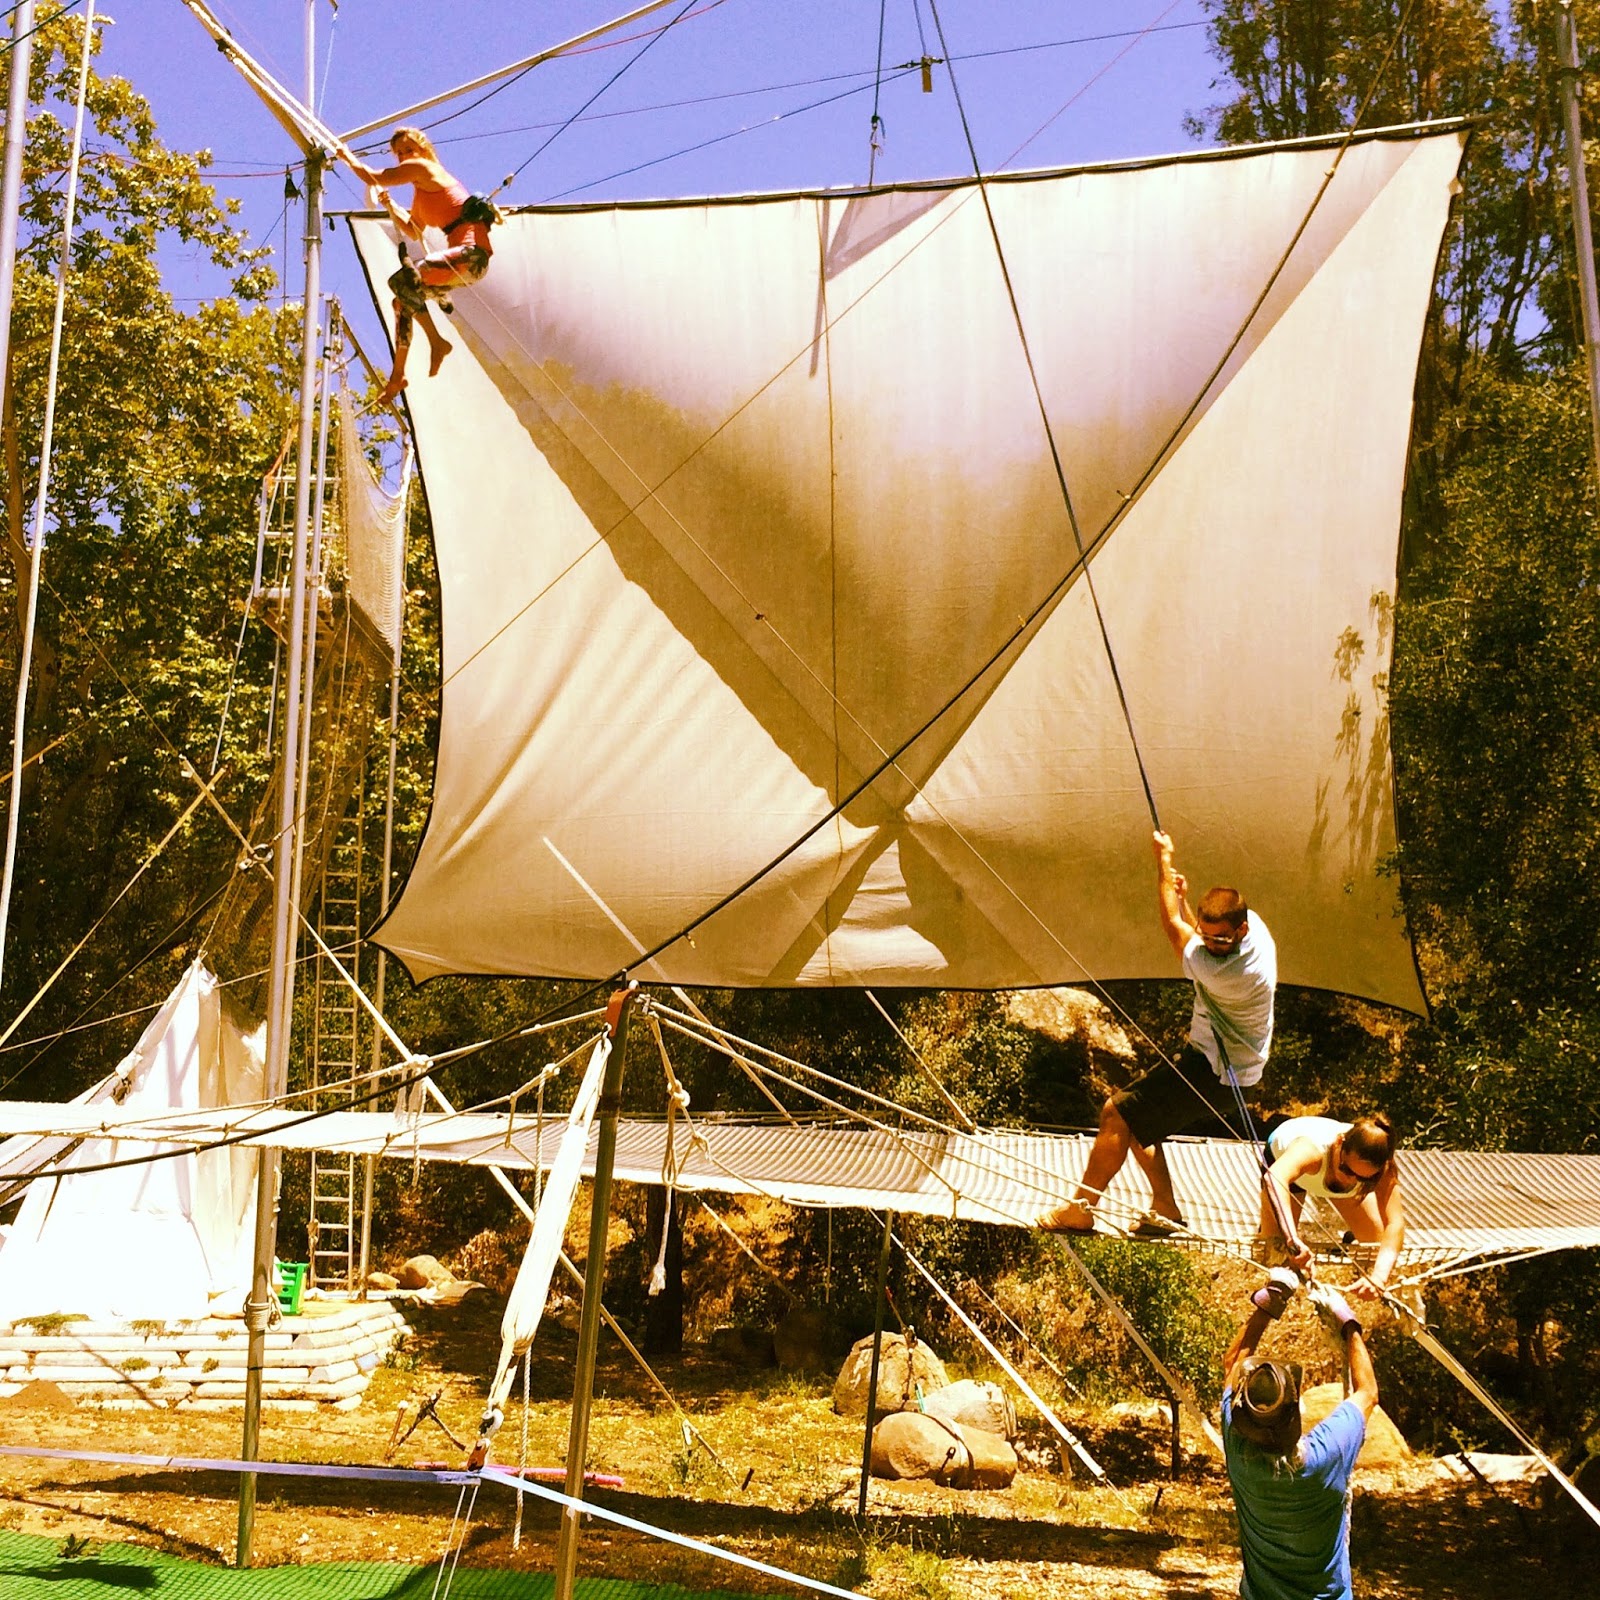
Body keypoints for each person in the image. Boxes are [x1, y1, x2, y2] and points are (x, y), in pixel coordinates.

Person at [1041, 829, 1277, 1234]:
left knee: (1117, 1113)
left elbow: (1172, 925)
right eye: (1206, 935)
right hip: (1225, 1063)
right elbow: (1190, 930)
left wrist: (1164, 861)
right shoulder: (1253, 925)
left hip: (1220, 1074)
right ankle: (1165, 1209)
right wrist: (1185, 900)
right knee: (1137, 1116)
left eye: (1220, 938)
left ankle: (1080, 1209)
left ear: (1239, 931)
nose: (1211, 943)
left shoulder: (1230, 971)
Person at [1222, 1274, 1377, 1600]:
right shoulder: (1324, 1455)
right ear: (1294, 1415)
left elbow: (1232, 1363)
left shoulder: (1239, 1451)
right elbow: (1368, 1392)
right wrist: (1347, 1322)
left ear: (1243, 1417)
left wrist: (1271, 1300)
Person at [342, 128, 494, 403]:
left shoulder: (425, 168)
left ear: (423, 149)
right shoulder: (421, 195)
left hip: (472, 255)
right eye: (399, 153)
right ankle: (398, 375)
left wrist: (347, 157)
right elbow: (413, 231)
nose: (403, 157)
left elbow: (375, 177)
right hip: (459, 267)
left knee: (401, 281)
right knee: (401, 302)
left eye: (408, 149)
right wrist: (393, 207)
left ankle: (436, 338)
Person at [1258, 1114, 1406, 1299]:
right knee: (1274, 1253)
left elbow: (1395, 1224)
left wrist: (1379, 1277)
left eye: (1363, 1178)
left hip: (1335, 1179)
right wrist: (1291, 1238)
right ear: (1338, 1143)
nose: (1349, 1179)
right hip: (1288, 1173)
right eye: (1346, 1169)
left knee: (1376, 1250)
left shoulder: (1382, 1168)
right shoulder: (1310, 1151)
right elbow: (1274, 1178)